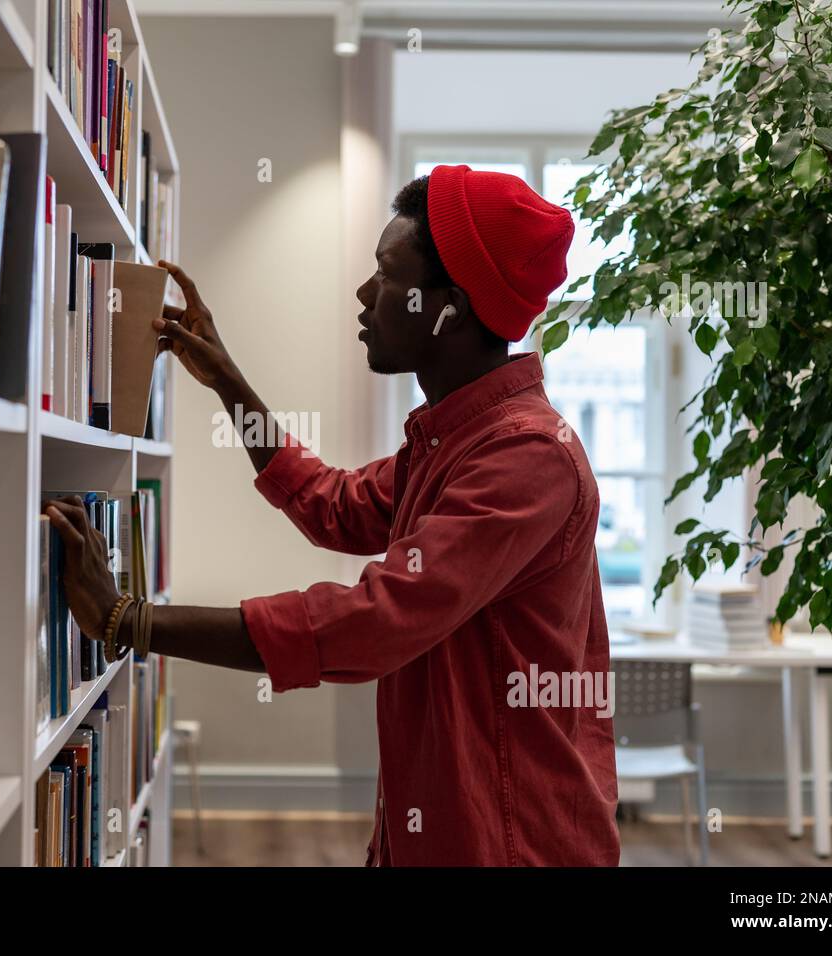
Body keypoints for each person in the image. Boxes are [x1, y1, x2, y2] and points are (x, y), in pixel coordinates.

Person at [45, 164, 620, 866]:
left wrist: (124, 618)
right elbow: (336, 506)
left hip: (508, 840)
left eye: (388, 274)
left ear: (451, 308)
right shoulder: (455, 440)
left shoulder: (525, 457)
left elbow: (372, 625)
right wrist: (227, 379)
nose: (365, 293)